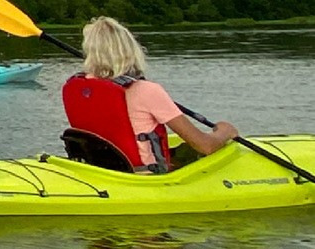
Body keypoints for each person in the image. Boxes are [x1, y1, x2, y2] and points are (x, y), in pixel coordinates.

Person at [79, 16, 236, 169]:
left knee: (182, 151)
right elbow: (205, 146)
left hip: (101, 169)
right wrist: (225, 132)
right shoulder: (147, 90)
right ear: (131, 50)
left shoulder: (82, 89)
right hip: (144, 174)